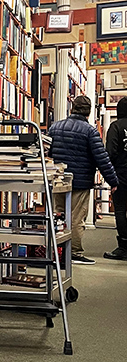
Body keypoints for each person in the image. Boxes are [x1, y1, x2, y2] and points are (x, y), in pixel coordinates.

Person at [48, 94, 118, 264]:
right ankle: (74, 253)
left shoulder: (55, 127)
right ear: (88, 112)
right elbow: (101, 158)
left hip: (58, 179)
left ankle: (58, 251)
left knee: (59, 215)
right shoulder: (89, 131)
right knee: (77, 218)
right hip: (80, 181)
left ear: (72, 108)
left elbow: (48, 153)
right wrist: (113, 181)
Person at [104, 96, 127, 260]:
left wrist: (111, 178)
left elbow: (110, 153)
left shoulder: (116, 127)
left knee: (120, 209)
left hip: (121, 174)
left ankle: (123, 246)